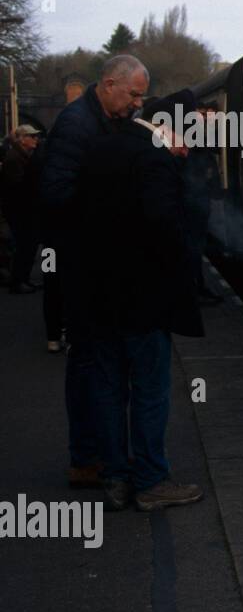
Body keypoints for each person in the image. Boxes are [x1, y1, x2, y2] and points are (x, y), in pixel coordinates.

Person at [73, 89, 205, 511]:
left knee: (109, 390)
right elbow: (164, 225)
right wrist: (186, 261)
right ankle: (151, 481)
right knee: (149, 391)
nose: (189, 147)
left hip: (99, 295)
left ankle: (115, 479)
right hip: (143, 299)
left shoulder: (100, 146)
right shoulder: (153, 158)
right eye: (189, 136)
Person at [40, 54, 149, 489]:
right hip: (83, 263)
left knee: (93, 362)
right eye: (134, 94)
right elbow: (57, 193)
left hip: (90, 260)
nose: (138, 104)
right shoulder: (76, 125)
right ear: (108, 85)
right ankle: (88, 457)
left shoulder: (98, 120)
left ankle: (95, 454)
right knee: (89, 361)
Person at [183, 104, 223, 305]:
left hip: (198, 199)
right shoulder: (195, 137)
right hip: (194, 200)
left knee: (196, 247)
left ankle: (196, 286)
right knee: (194, 247)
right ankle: (194, 289)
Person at [1, 124, 41, 295]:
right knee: (24, 246)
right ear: (21, 139)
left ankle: (22, 279)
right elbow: (19, 187)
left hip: (21, 209)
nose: (35, 139)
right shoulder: (14, 158)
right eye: (31, 136)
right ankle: (18, 282)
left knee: (26, 245)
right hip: (19, 211)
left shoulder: (21, 155)